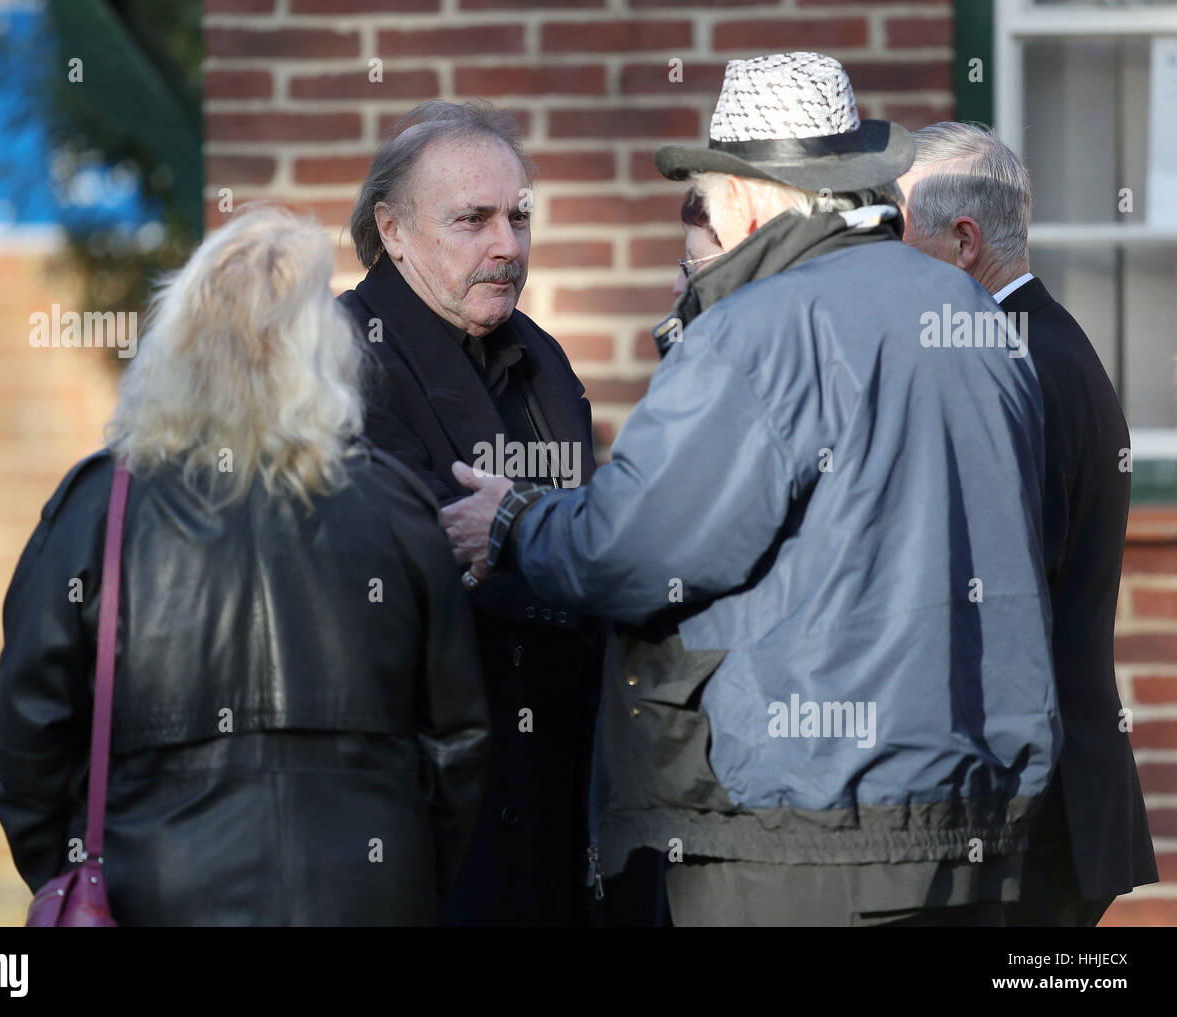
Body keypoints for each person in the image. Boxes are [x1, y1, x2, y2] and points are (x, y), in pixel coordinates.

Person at [443, 52, 1060, 927]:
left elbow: (633, 548)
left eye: (710, 188)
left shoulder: (760, 328)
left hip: (798, 836)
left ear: (750, 194)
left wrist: (513, 521)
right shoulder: (972, 316)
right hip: (970, 828)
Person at [0, 205, 490, 926]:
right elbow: (458, 743)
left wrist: (76, 874)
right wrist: (405, 877)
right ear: (325, 349)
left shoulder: (100, 508)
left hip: (153, 894)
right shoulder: (397, 506)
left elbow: (25, 740)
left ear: (177, 342)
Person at [337, 99, 603, 926]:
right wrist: (559, 542)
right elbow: (422, 554)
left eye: (519, 217)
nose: (508, 245)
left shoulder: (541, 359)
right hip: (421, 824)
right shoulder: (338, 355)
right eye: (473, 219)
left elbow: (544, 545)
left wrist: (520, 533)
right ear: (394, 229)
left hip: (551, 812)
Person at [897, 121, 1158, 926]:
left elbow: (990, 600)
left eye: (897, 231)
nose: (881, 260)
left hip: (1026, 821)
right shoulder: (1041, 343)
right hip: (1054, 798)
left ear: (964, 240)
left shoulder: (1010, 368)